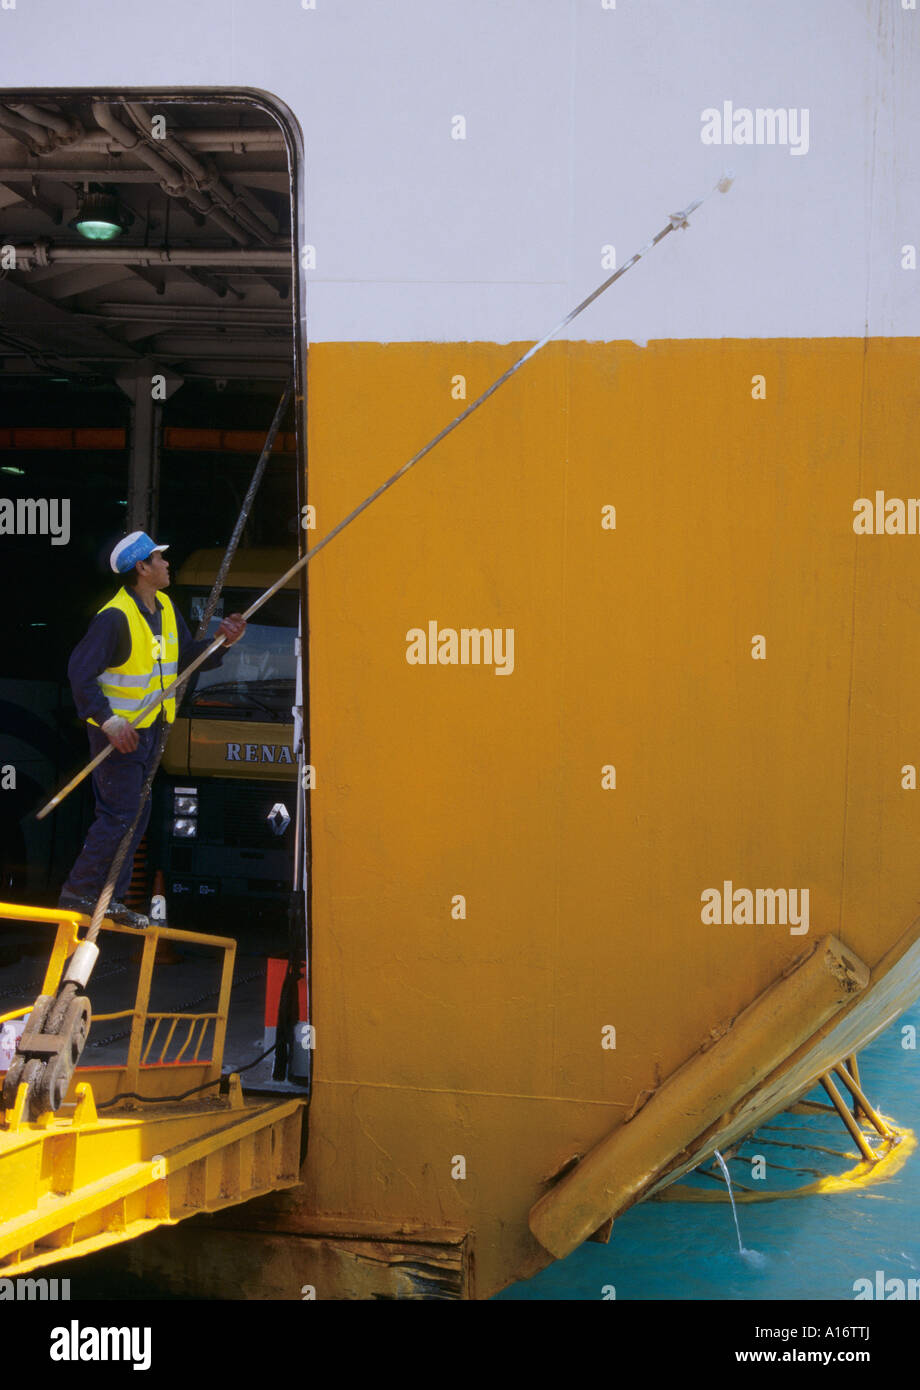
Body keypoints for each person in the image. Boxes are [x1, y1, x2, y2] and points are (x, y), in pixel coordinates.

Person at [58, 531, 246, 927]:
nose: (165, 564)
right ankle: (79, 893)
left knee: (134, 816)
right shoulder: (115, 617)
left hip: (150, 731)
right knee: (119, 815)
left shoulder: (162, 606)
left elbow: (185, 660)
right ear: (142, 568)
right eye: (159, 558)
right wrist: (109, 722)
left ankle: (109, 898)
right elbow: (80, 673)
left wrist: (222, 642)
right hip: (120, 735)